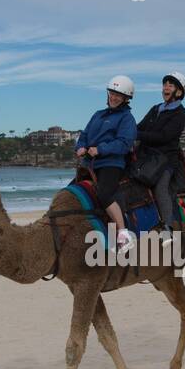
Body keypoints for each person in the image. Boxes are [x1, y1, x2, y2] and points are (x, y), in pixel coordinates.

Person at [75, 75, 138, 248]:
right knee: (72, 192)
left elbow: (124, 143)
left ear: (126, 98)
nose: (113, 97)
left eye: (118, 95)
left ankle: (124, 234)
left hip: (111, 164)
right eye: (112, 92)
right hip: (90, 164)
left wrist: (100, 149)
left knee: (104, 194)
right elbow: (84, 136)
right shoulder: (98, 115)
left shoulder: (127, 118)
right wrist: (80, 147)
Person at [134, 71, 185, 244]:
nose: (166, 87)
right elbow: (140, 126)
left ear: (179, 92)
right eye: (165, 84)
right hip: (146, 155)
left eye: (170, 85)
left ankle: (167, 227)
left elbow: (164, 137)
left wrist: (137, 134)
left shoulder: (181, 114)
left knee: (161, 187)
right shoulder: (156, 108)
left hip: (165, 159)